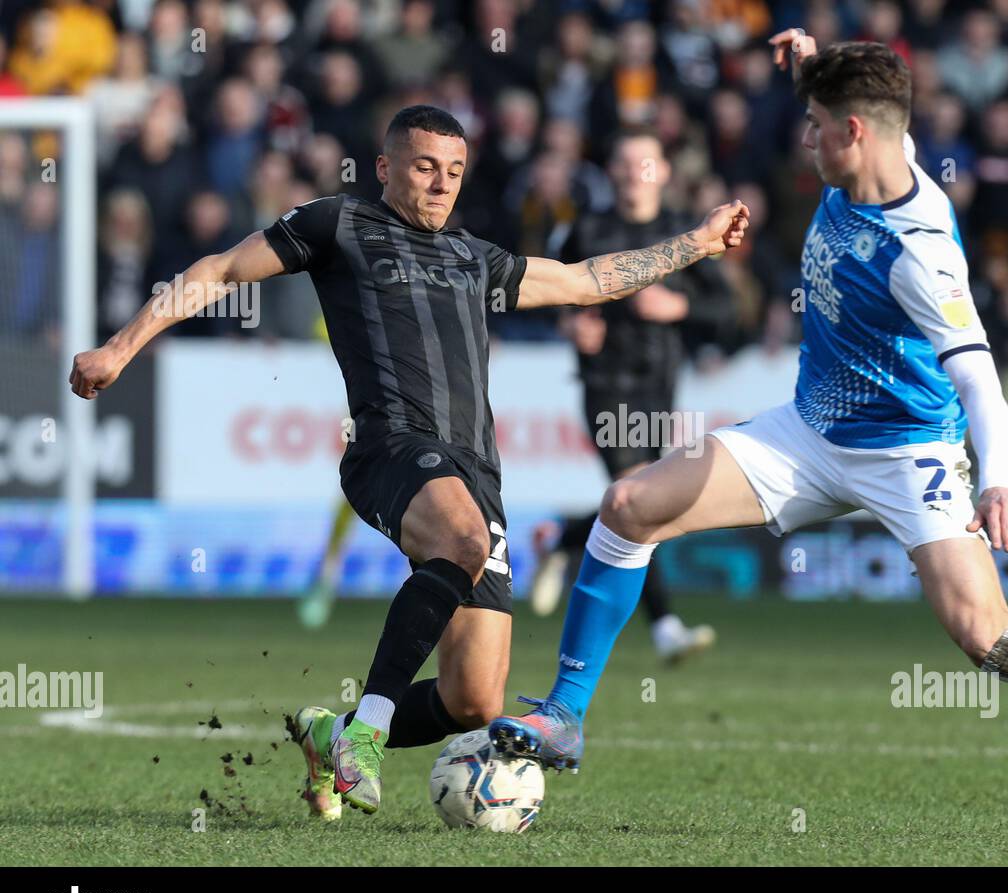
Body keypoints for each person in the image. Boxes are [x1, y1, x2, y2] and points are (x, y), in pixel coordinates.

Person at [488, 36, 1008, 843]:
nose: (804, 140)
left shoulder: (920, 255)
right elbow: (877, 91)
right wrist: (815, 58)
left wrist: (999, 478)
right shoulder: (878, 144)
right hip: (809, 433)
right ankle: (565, 713)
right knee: (630, 504)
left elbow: (980, 376)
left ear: (854, 136)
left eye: (815, 126)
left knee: (990, 638)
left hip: (910, 454)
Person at [68, 104, 750, 818]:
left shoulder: (474, 258)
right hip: (390, 449)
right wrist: (120, 346)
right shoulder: (339, 225)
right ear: (387, 168)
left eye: (454, 171)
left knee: (474, 698)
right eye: (424, 167)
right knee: (460, 539)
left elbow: (588, 280)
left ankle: (329, 734)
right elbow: (219, 269)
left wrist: (696, 246)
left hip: (476, 471)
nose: (440, 184)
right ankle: (363, 731)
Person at [531, 128, 732, 664]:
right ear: (611, 172)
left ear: (663, 171)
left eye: (644, 163)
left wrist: (681, 310)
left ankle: (565, 538)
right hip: (604, 384)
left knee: (640, 502)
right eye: (623, 162)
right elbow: (546, 291)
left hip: (658, 388)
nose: (633, 172)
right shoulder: (587, 229)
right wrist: (570, 327)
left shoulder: (682, 233)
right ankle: (666, 627)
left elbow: (730, 309)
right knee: (638, 497)